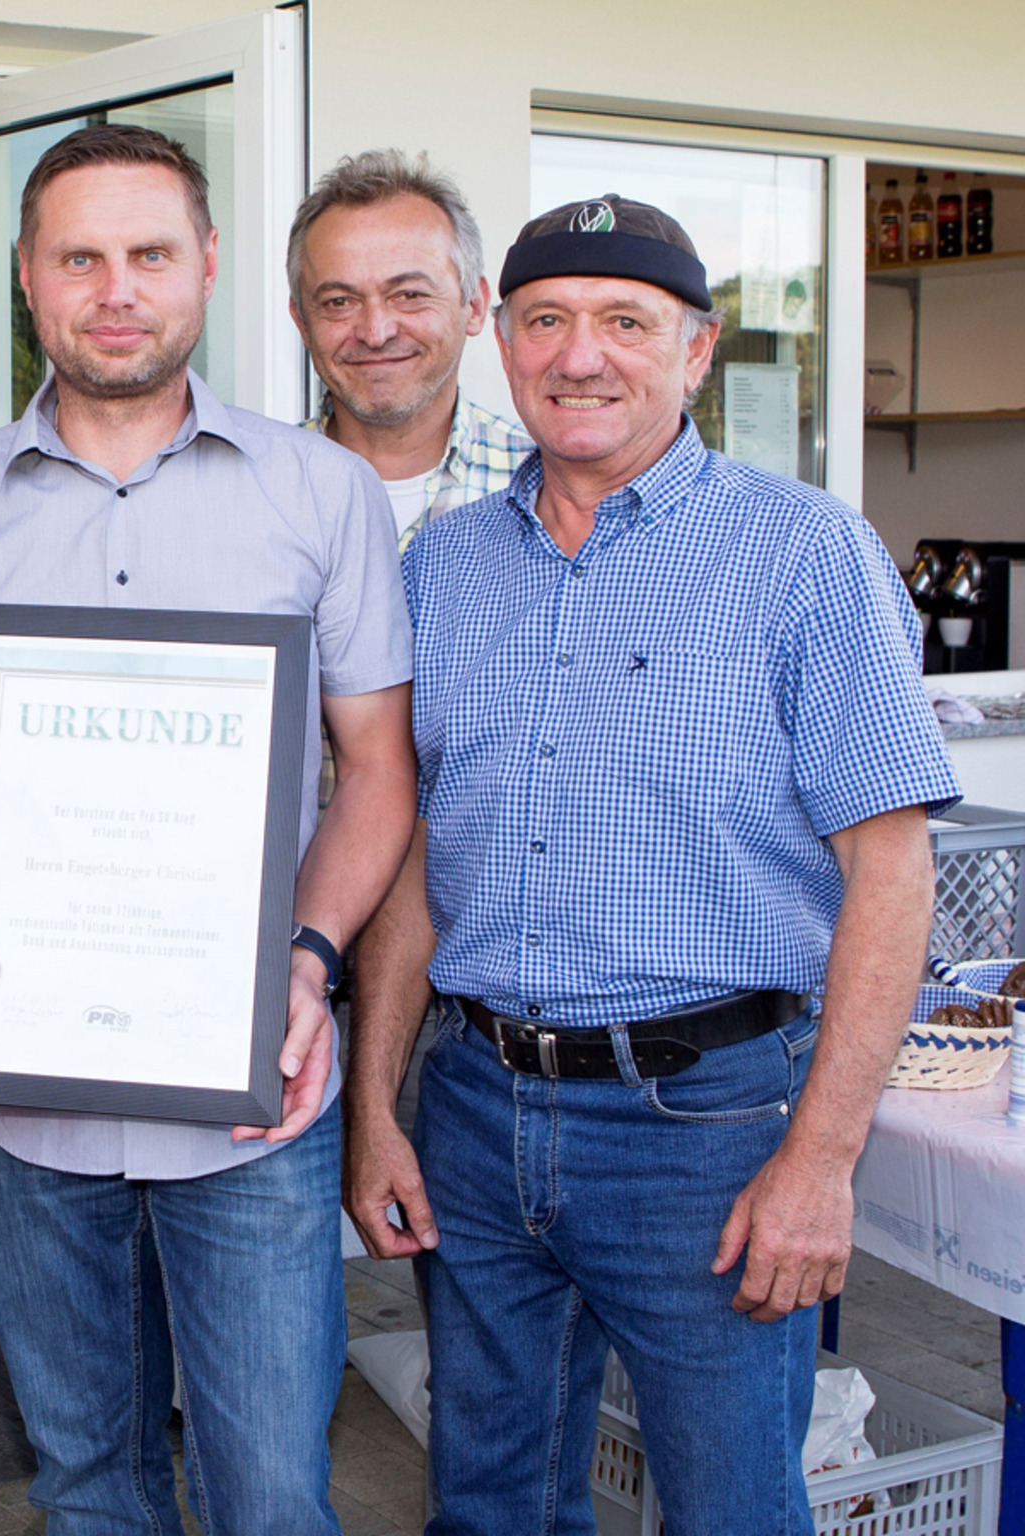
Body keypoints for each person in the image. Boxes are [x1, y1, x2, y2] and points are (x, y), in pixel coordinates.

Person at [346, 194, 960, 1534]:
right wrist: (379, 1107)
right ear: (499, 341)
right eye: (547, 320)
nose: (581, 356)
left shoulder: (806, 555)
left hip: (709, 1129)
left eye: (626, 323)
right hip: (473, 1109)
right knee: (491, 1504)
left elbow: (892, 875)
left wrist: (820, 1162)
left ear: (696, 350)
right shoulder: (443, 569)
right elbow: (412, 865)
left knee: (731, 1510)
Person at [0, 124, 417, 1534]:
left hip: (252, 1097)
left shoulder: (319, 493)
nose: (117, 288)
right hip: (23, 1106)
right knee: (90, 1487)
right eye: (80, 257)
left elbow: (381, 776)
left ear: (207, 271)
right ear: (31, 283)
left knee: (273, 1498)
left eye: (149, 254)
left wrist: (303, 956)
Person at [288, 149, 529, 551]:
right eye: (339, 302)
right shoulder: (249, 489)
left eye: (409, 295)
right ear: (302, 322)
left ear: (474, 305)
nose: (375, 332)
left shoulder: (549, 483)